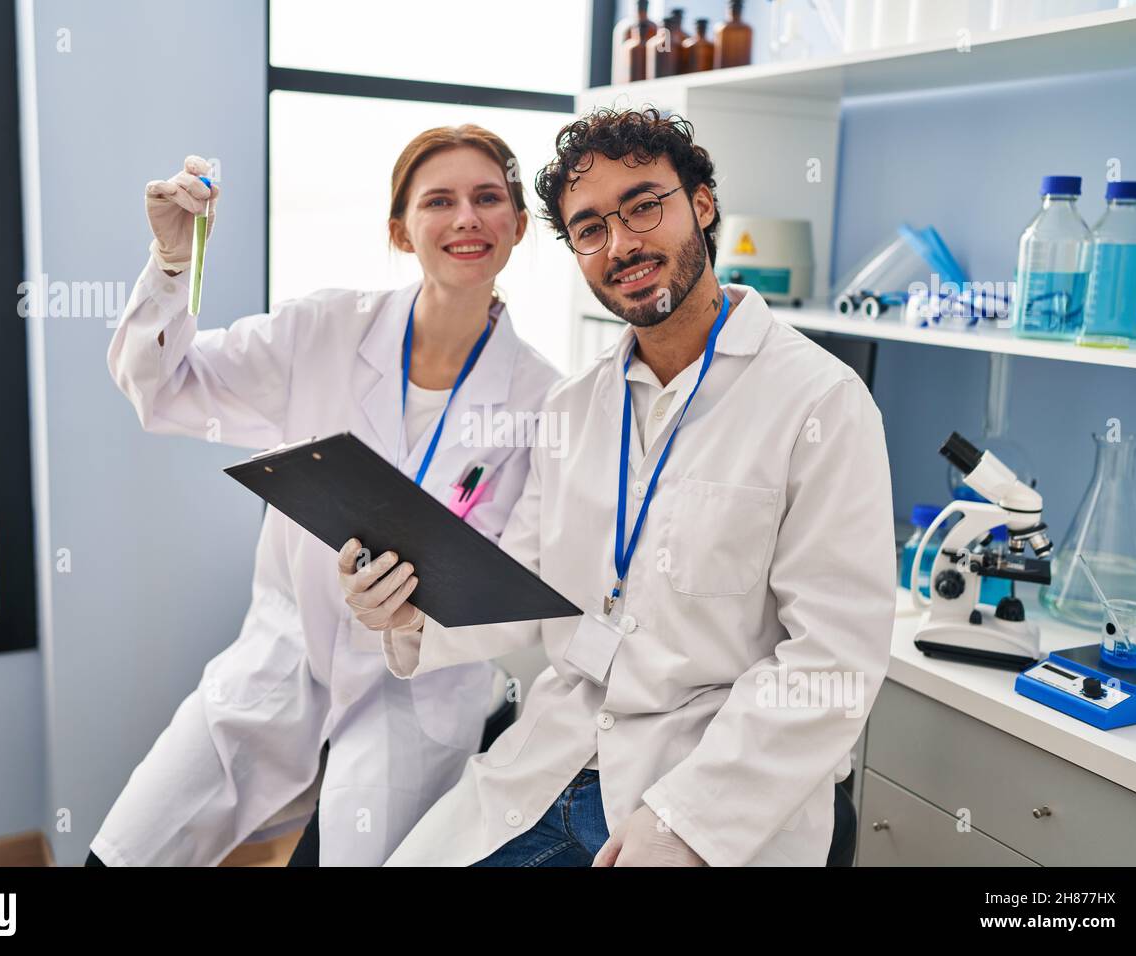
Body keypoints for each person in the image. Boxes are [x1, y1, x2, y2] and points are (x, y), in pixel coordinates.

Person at [339, 108, 896, 867]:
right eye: (591, 227)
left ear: (701, 202)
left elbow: (832, 663)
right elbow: (523, 583)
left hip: (706, 794)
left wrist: (687, 823)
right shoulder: (574, 406)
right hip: (549, 767)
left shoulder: (819, 404)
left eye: (643, 206)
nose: (622, 244)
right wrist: (408, 614)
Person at [90, 125, 561, 866]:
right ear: (400, 231)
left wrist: (415, 616)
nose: (467, 217)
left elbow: (524, 592)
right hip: (283, 654)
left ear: (518, 227)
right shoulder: (325, 330)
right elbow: (166, 392)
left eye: (488, 198)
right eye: (439, 200)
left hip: (420, 690)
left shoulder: (547, 402)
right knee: (128, 851)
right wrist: (174, 261)